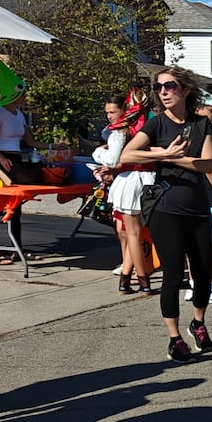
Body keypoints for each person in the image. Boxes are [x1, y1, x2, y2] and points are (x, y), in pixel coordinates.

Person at [105, 65, 212, 361]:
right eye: (159, 87)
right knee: (172, 275)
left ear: (185, 90)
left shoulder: (201, 124)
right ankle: (174, 339)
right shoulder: (157, 124)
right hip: (165, 209)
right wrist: (162, 154)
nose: (163, 92)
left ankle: (198, 323)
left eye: (170, 86)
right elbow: (127, 155)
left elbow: (206, 165)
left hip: (198, 207)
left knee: (202, 272)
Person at [93, 90, 152, 294]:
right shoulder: (152, 124)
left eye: (113, 111)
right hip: (149, 179)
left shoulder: (122, 129)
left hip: (131, 180)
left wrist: (97, 151)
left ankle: (143, 279)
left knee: (133, 234)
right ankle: (126, 278)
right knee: (133, 232)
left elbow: (112, 159)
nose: (110, 115)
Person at [0, 65, 35, 264]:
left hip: (16, 160)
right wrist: (1, 158)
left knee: (17, 205)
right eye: (22, 94)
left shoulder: (19, 115)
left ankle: (17, 248)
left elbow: (29, 142)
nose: (25, 98)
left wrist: (53, 145)